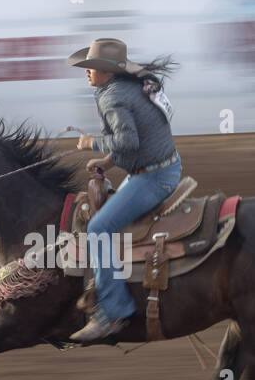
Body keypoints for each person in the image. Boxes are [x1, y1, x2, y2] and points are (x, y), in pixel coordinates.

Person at [66, 38, 182, 341]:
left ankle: (113, 312)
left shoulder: (112, 97)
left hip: (154, 177)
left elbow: (128, 142)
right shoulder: (134, 87)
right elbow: (134, 136)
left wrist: (91, 142)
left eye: (91, 67)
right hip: (163, 166)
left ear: (107, 71)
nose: (86, 72)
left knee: (99, 227)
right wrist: (107, 159)